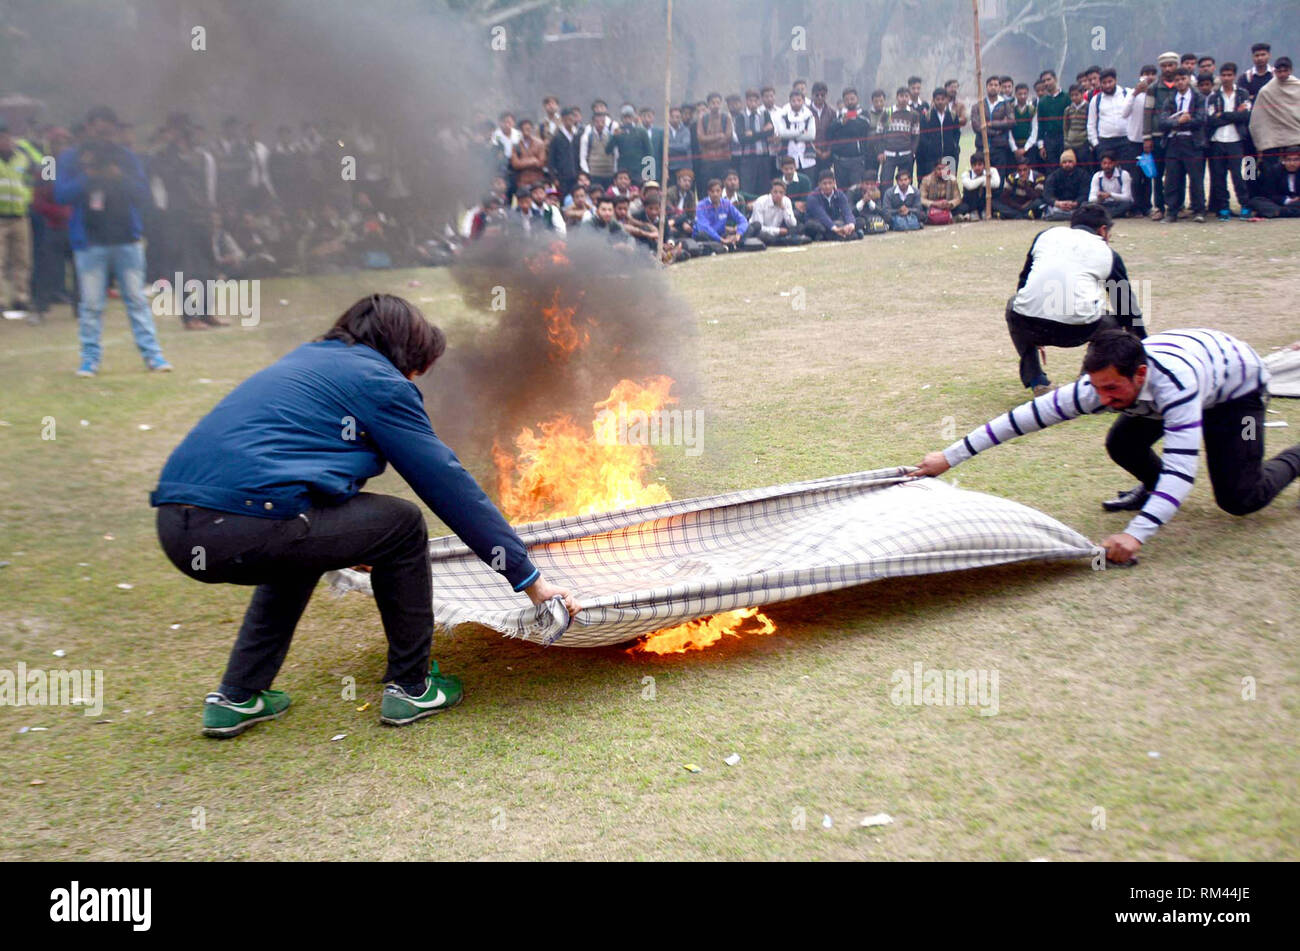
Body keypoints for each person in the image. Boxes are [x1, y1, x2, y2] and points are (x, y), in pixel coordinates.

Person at [151, 295, 579, 736]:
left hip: (178, 525)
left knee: (299, 543)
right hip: (244, 524)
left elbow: (287, 464)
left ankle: (236, 697)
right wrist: (529, 578)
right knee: (403, 524)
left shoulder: (309, 360)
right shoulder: (380, 381)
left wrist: (338, 542)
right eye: (417, 370)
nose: (414, 382)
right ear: (404, 355)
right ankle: (412, 688)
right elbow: (448, 485)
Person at [913, 327, 1300, 565]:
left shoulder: (1176, 387)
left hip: (1239, 395)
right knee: (1122, 443)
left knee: (1240, 497)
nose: (1102, 399)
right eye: (1096, 389)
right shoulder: (1099, 386)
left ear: (1140, 373)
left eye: (1111, 389)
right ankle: (1152, 491)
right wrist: (950, 457)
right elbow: (1022, 420)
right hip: (1187, 375)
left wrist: (1136, 535)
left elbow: (1183, 470)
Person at [54, 106, 171, 376]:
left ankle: (154, 357)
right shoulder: (71, 158)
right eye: (97, 126)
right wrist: (89, 176)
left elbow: (143, 193)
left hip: (126, 239)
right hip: (90, 242)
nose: (103, 131)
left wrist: (120, 177)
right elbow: (60, 194)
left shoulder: (127, 157)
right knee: (92, 304)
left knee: (136, 300)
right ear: (88, 127)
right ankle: (89, 360)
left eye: (108, 126)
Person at [1003, 203, 1143, 395]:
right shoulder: (1108, 253)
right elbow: (1125, 304)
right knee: (1113, 324)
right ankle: (1086, 381)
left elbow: (1023, 282)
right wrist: (1141, 343)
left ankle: (1037, 379)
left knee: (1014, 305)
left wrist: (1029, 324)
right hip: (1077, 330)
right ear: (1103, 230)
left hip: (1030, 324)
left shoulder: (1045, 236)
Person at [1159, 67, 1208, 223]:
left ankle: (1199, 210)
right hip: (1173, 142)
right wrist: (1178, 122)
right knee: (1172, 178)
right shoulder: (1170, 99)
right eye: (1177, 80)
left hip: (1192, 142)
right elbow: (1162, 122)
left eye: (1183, 79)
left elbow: (1201, 120)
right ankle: (1172, 211)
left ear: (1188, 79)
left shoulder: (1198, 97)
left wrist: (1180, 124)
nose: (1180, 82)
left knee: (1196, 179)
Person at [1206, 63, 1254, 219]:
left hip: (1236, 140)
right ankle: (1223, 208)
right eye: (1224, 75)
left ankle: (1245, 205)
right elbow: (1212, 120)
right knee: (1218, 177)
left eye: (1229, 75)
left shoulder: (1242, 94)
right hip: (1217, 140)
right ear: (1220, 76)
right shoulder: (1214, 96)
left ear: (1234, 76)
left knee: (1238, 176)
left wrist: (1224, 115)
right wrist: (1234, 114)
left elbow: (1245, 116)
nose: (1226, 78)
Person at [0, 117, 36, 318]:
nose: (4, 141)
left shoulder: (22, 157)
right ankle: (1, 301)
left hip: (20, 216)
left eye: (6, 137)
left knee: (22, 259)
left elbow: (44, 168)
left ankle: (20, 298)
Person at [1248, 57, 1300, 171]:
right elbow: (1257, 119)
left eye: (1285, 71)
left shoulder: (1298, 87)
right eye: (1279, 71)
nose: (1282, 74)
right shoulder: (1266, 91)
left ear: (1290, 70)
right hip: (1273, 141)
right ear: (1275, 72)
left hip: (1296, 138)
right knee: (1270, 174)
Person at [693, 177, 761, 252]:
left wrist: (738, 234)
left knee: (752, 226)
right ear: (708, 192)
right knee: (701, 234)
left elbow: (742, 220)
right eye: (712, 191)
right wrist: (720, 239)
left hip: (723, 235)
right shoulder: (701, 205)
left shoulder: (726, 203)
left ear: (721, 191)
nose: (715, 194)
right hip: (711, 236)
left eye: (717, 191)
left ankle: (733, 243)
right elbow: (704, 227)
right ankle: (729, 245)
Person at [877, 87, 920, 190]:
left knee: (905, 184)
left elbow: (916, 135)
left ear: (909, 98)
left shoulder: (913, 114)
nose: (904, 99)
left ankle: (906, 205)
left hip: (905, 154)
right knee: (886, 183)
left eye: (906, 96)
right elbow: (879, 133)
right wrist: (880, 151)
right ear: (897, 97)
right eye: (901, 96)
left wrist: (912, 152)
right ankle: (886, 205)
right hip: (889, 154)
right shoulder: (888, 112)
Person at [748, 178, 809, 246]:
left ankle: (785, 240)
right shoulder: (761, 202)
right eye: (775, 192)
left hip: (779, 231)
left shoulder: (786, 201)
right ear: (771, 192)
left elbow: (792, 224)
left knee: (799, 227)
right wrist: (778, 231)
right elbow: (759, 227)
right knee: (762, 235)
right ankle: (785, 241)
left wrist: (784, 209)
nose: (778, 195)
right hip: (763, 232)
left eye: (781, 192)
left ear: (784, 193)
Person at [805, 171, 861, 240]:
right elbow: (821, 216)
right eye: (824, 184)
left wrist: (851, 225)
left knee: (859, 221)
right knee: (817, 227)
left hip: (835, 222)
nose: (827, 186)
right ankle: (844, 234)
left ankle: (844, 233)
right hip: (819, 222)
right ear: (819, 184)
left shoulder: (840, 194)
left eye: (830, 183)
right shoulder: (812, 197)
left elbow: (847, 211)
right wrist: (835, 228)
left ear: (834, 183)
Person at [1250, 145, 1300, 217]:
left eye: (1296, 160)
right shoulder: (1275, 170)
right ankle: (1287, 211)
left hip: (1297, 202)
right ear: (1284, 160)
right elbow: (1269, 193)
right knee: (1255, 201)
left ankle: (1279, 212)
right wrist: (1286, 200)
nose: (1292, 163)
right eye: (1288, 160)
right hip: (1280, 202)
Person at [1041, 149, 1090, 220]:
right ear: (1061, 164)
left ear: (1075, 162)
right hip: (1058, 206)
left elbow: (1085, 193)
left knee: (1085, 206)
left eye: (1070, 162)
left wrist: (1075, 203)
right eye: (1064, 162)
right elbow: (1047, 194)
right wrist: (1058, 203)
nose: (1067, 164)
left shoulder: (1083, 175)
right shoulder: (1054, 176)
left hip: (1076, 206)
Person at [1036, 70, 1069, 166]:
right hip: (1049, 140)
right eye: (1044, 81)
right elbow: (1040, 124)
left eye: (1048, 79)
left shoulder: (1066, 98)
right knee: (1051, 168)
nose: (1046, 83)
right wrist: (1041, 146)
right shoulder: (1042, 102)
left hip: (1064, 138)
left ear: (1055, 79)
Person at [1088, 151, 1134, 218]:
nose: (1107, 166)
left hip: (1118, 203)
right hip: (1104, 204)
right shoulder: (1097, 176)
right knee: (1086, 204)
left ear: (1115, 163)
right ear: (1101, 164)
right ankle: (1109, 214)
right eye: (1104, 163)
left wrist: (1110, 195)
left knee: (1127, 204)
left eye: (1110, 163)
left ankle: (1102, 215)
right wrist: (1099, 198)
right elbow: (1091, 198)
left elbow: (1127, 197)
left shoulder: (1124, 174)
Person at [955, 152, 1000, 219]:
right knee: (963, 208)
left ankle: (985, 211)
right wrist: (984, 179)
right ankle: (972, 213)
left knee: (997, 205)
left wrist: (982, 180)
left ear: (984, 165)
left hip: (985, 203)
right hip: (970, 204)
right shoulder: (966, 174)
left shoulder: (991, 171)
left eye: (979, 164)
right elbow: (970, 186)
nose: (977, 167)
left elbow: (996, 184)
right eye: (974, 165)